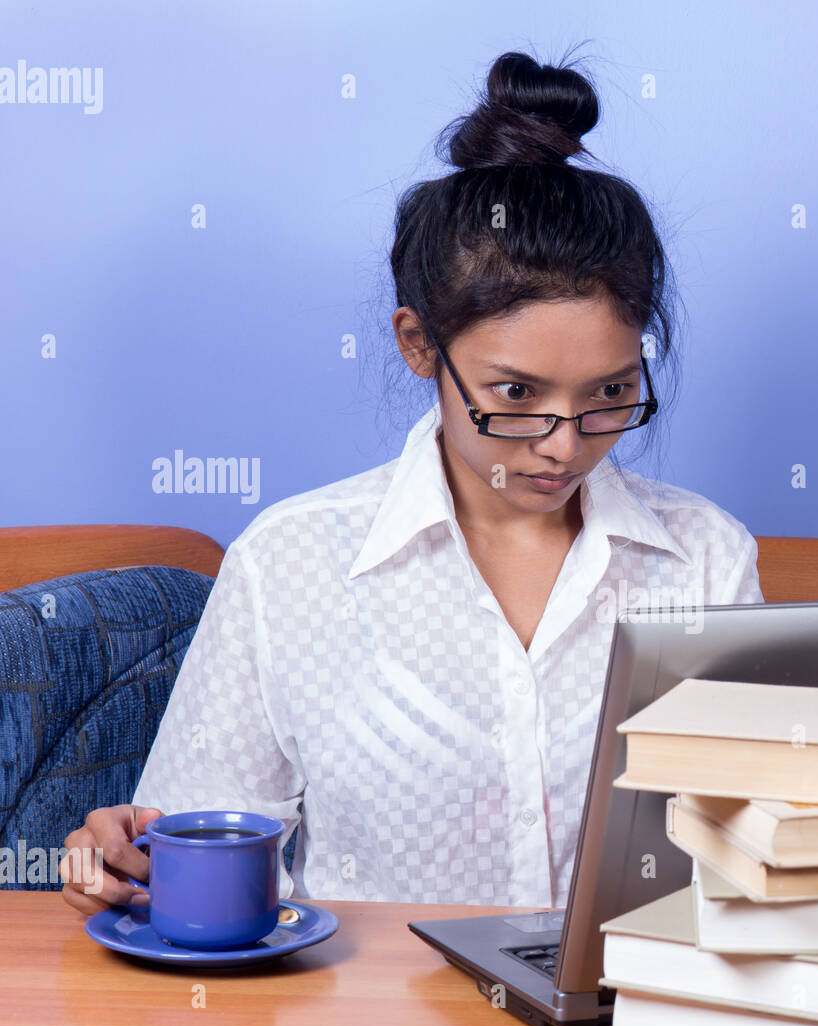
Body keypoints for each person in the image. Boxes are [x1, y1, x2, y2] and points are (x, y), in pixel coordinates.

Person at [60, 48, 763, 917]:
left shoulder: (704, 561)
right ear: (418, 344)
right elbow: (196, 859)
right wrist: (132, 868)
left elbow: (748, 857)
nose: (563, 445)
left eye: (610, 395)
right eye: (516, 395)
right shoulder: (291, 565)